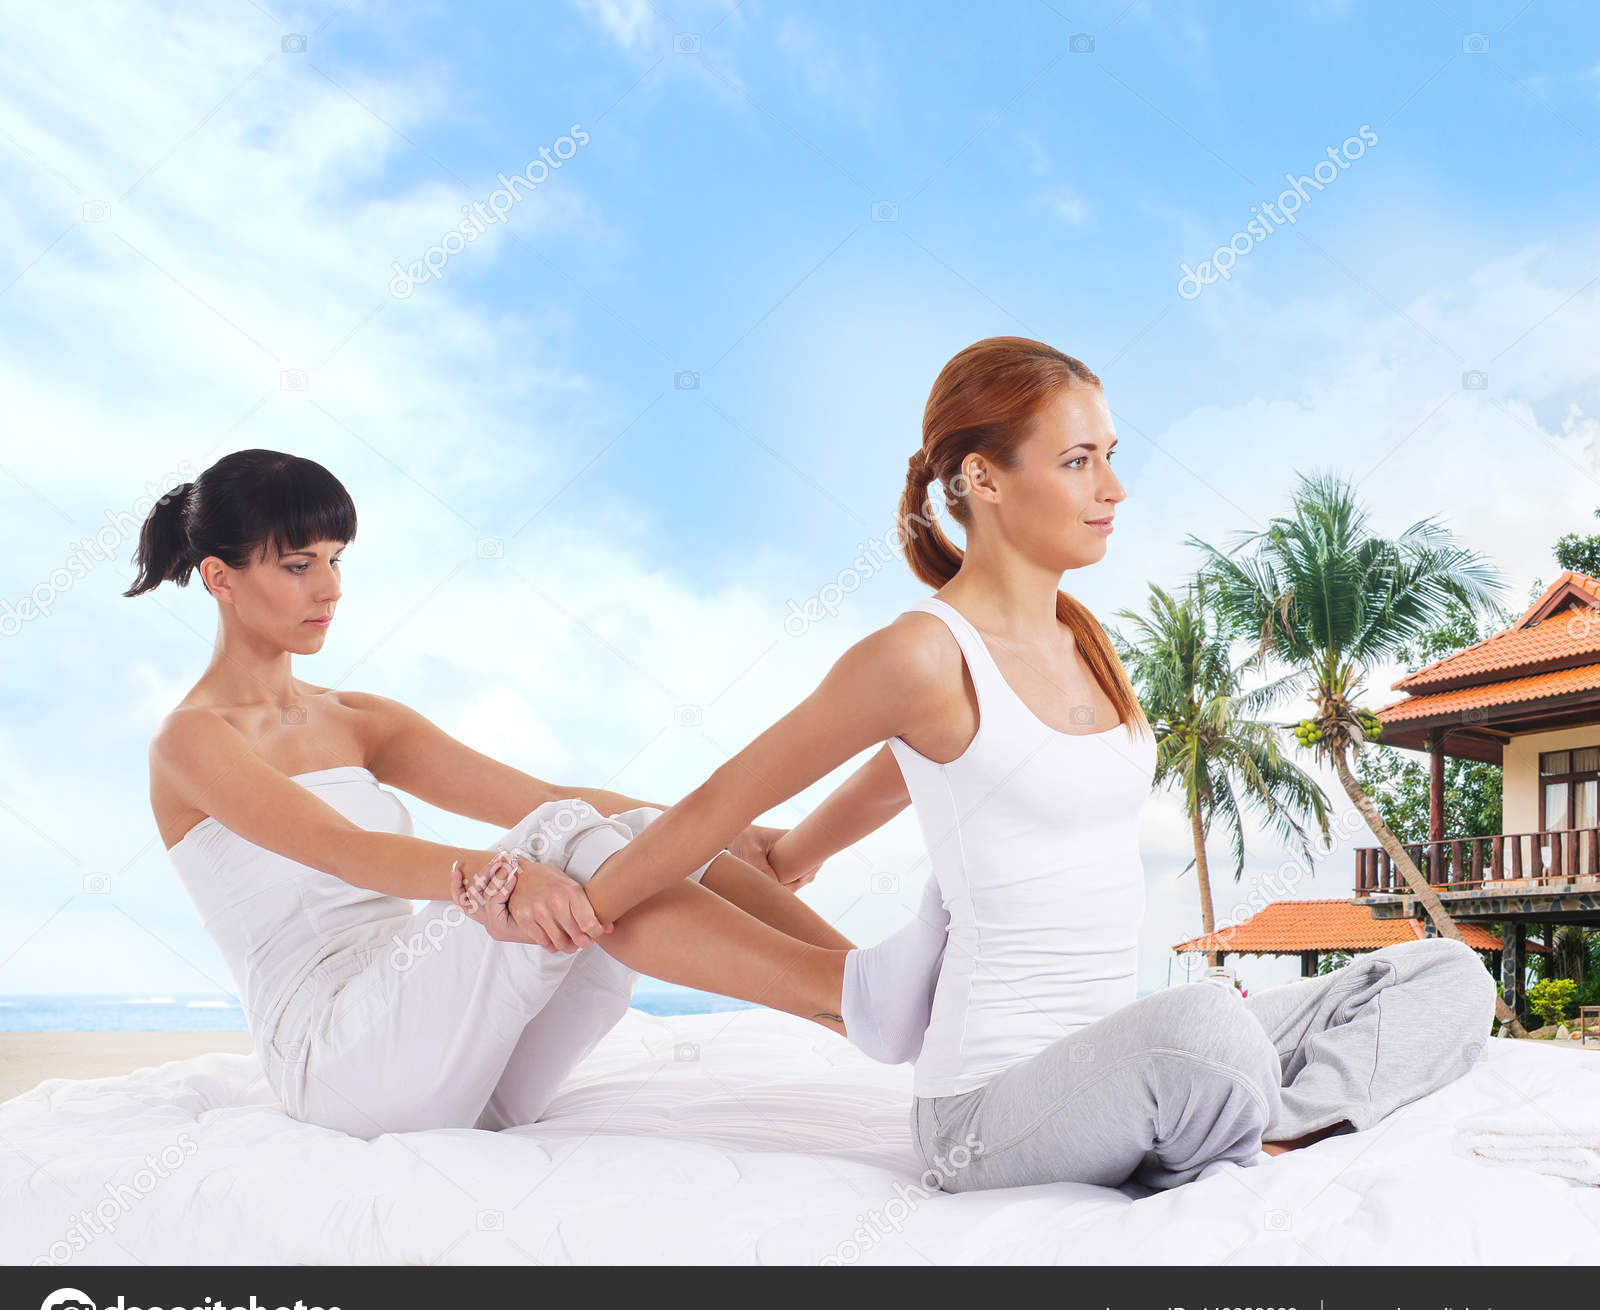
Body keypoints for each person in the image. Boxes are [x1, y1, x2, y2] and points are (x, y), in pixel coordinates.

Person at [523, 336, 1500, 1192]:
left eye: (1110, 458)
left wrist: (797, 854)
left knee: (1443, 975)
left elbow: (948, 766)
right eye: (1077, 462)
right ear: (982, 478)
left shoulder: (1085, 637)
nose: (1111, 489)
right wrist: (592, 899)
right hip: (985, 1112)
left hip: (1114, 1050)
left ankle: (1261, 1126)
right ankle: (1247, 1117)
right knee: (1204, 1031)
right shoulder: (916, 653)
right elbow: (725, 794)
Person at [127, 449, 930, 1139]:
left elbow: (543, 794)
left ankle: (870, 985)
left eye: (336, 559)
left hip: (467, 1068)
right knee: (564, 838)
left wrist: (718, 836)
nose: (328, 587)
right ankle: (852, 996)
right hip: (338, 1061)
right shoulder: (193, 741)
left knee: (630, 830)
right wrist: (499, 875)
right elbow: (349, 850)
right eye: (298, 565)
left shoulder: (360, 719)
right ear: (218, 578)